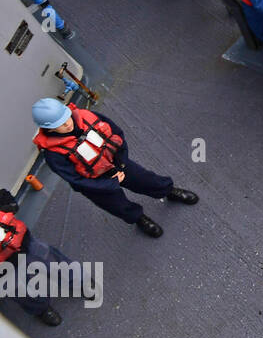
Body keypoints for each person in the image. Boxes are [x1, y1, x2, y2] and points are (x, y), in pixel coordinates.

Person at [31, 98, 198, 238]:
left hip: (117, 163)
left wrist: (122, 163)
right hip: (95, 183)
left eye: (66, 117)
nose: (67, 124)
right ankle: (139, 218)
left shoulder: (87, 116)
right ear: (48, 129)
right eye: (60, 124)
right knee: (117, 206)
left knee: (146, 180)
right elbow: (76, 180)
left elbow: (116, 133)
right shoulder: (53, 155)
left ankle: (168, 191)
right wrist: (109, 184)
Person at [0, 190, 89, 327]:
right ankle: (41, 309)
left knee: (53, 263)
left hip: (23, 242)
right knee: (20, 290)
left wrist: (7, 207)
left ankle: (79, 282)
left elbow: (6, 198)